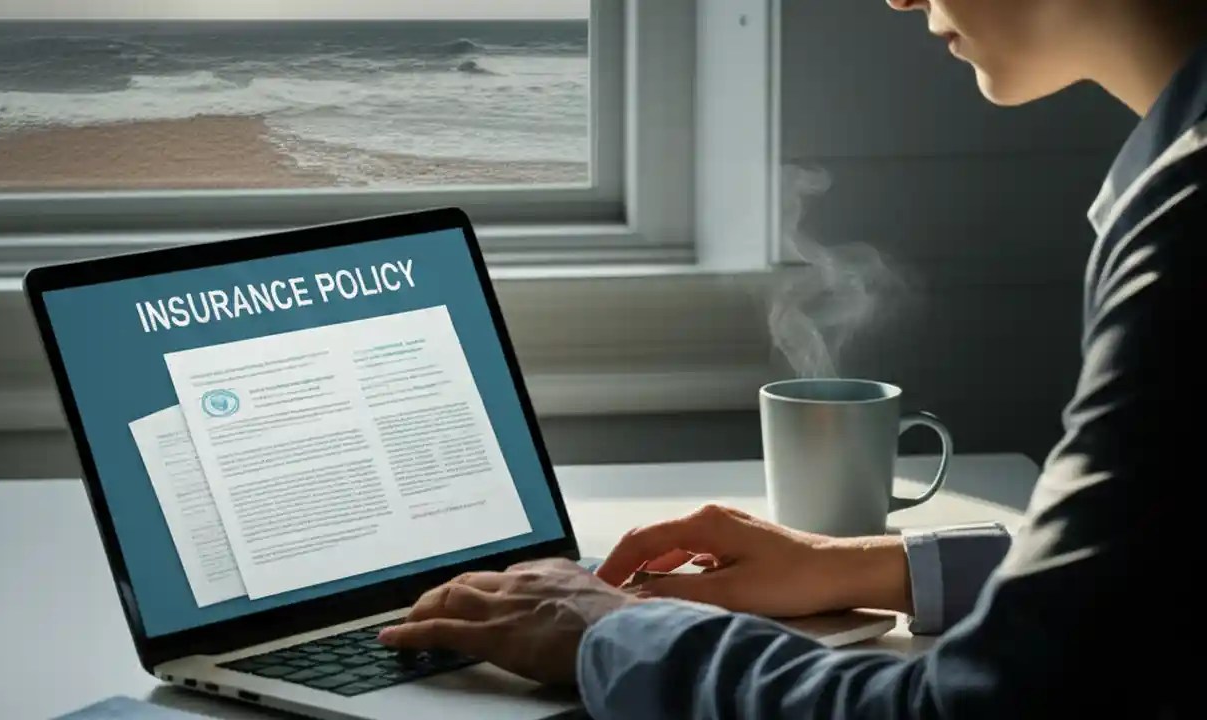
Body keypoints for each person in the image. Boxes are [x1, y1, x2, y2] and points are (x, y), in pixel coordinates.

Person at [378, 0, 1198, 716]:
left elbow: (981, 703)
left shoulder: (1188, 228)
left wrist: (611, 631)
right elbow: (1146, 586)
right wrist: (862, 569)